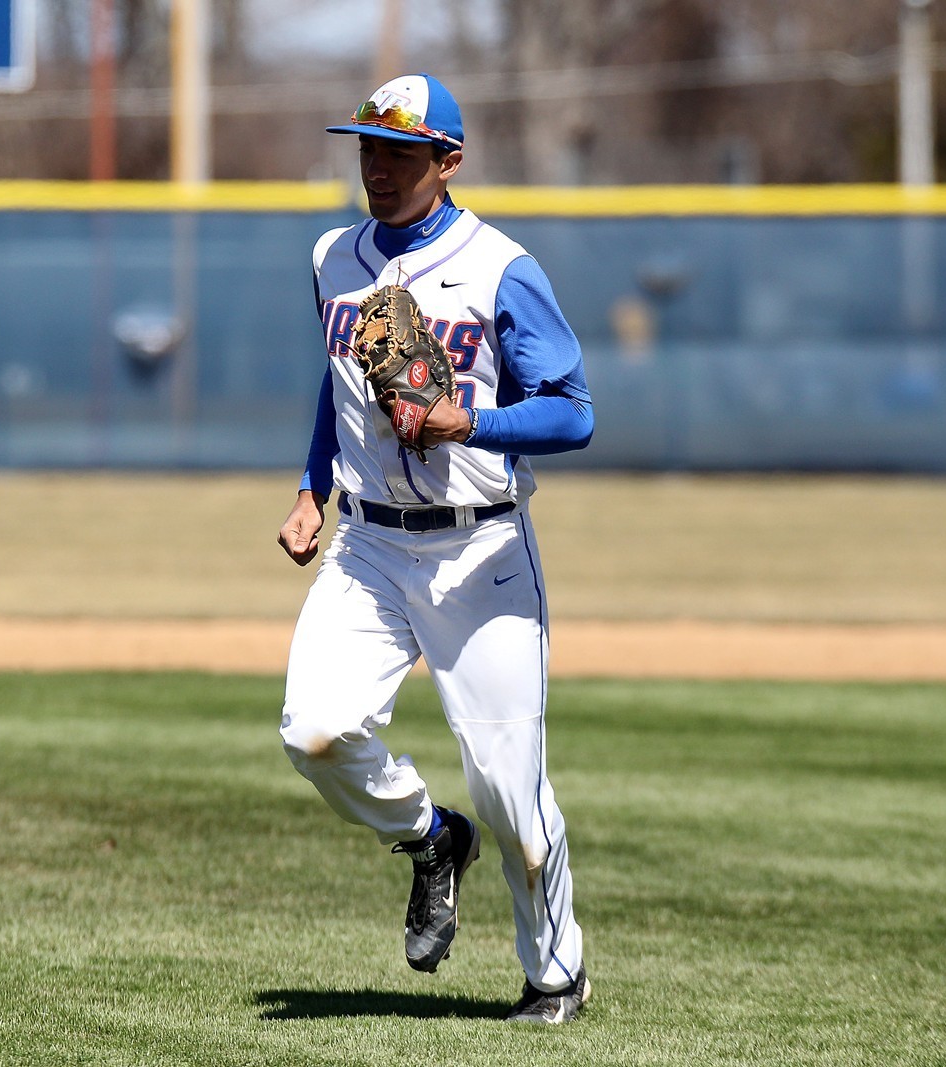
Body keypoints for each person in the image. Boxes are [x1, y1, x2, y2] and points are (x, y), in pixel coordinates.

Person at [276, 73, 594, 1025]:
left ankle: (555, 974)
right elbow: (336, 389)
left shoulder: (502, 267)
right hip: (368, 543)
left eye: (399, 153)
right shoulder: (335, 255)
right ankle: (428, 836)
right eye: (367, 148)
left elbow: (574, 415)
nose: (377, 166)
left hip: (478, 552)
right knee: (315, 731)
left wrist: (472, 421)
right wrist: (309, 486)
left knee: (512, 799)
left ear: (447, 163)